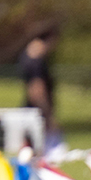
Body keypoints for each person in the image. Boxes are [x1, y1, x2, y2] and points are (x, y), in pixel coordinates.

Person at [16, 23, 62, 158]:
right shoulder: (36, 60)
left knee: (28, 152)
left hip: (28, 111)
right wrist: (48, 115)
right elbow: (37, 90)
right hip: (36, 113)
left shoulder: (26, 55)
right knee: (41, 155)